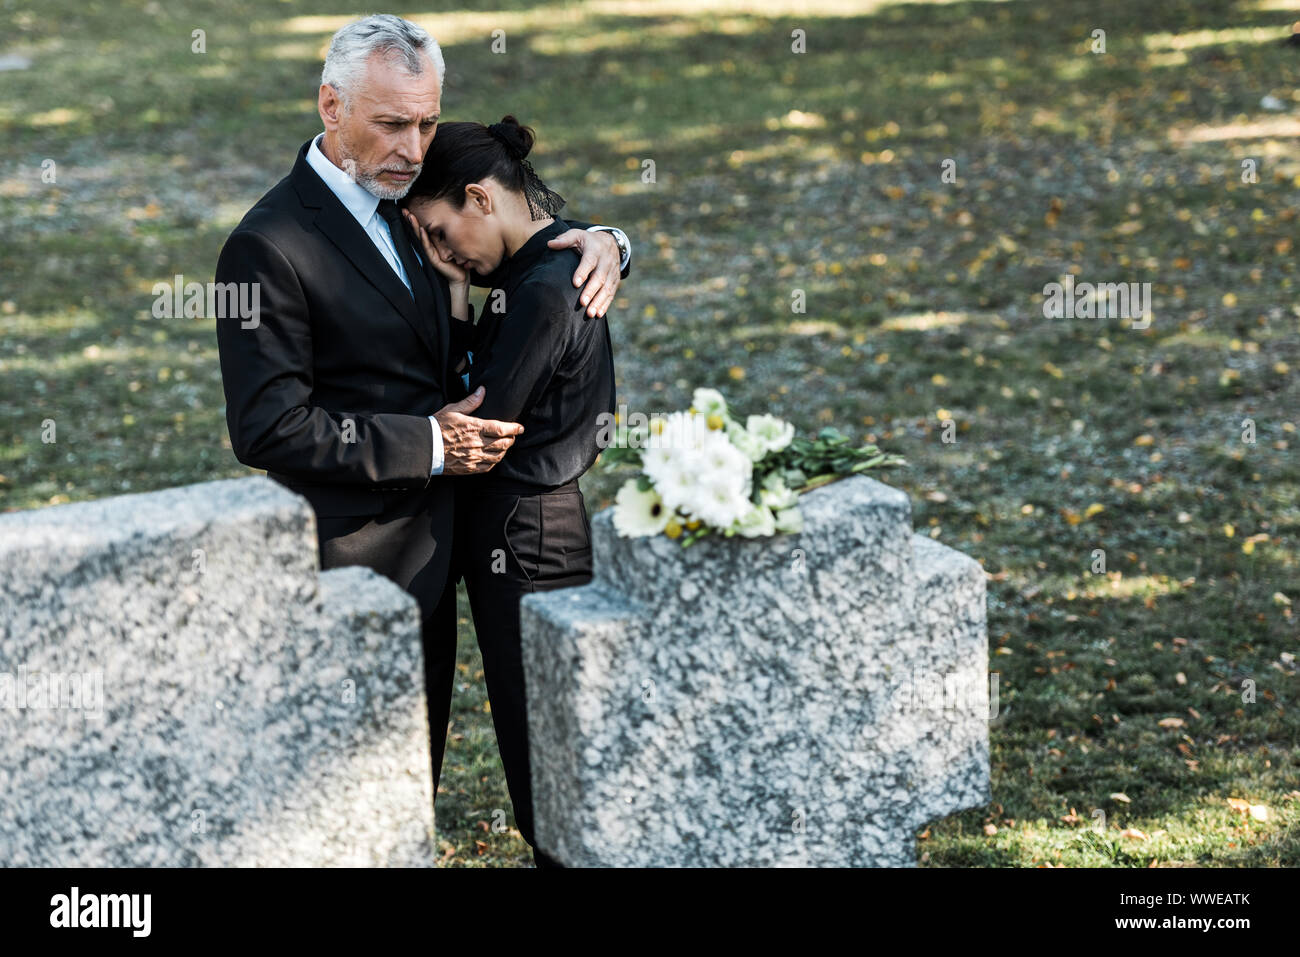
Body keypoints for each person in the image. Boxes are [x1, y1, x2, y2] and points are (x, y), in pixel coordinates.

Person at [212, 15, 631, 845]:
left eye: (427, 121)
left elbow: (517, 246)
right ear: (330, 106)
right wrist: (430, 443)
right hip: (359, 569)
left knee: (413, 808)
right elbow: (267, 428)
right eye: (392, 123)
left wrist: (609, 242)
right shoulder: (268, 247)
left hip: (446, 563)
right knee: (352, 825)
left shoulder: (409, 203)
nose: (413, 146)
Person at [401, 115, 617, 868]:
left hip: (529, 542)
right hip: (528, 532)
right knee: (549, 753)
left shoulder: (544, 291)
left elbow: (480, 423)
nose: (440, 254)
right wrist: (613, 238)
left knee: (547, 768)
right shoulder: (547, 262)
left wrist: (423, 432)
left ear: (479, 198)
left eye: (438, 232)